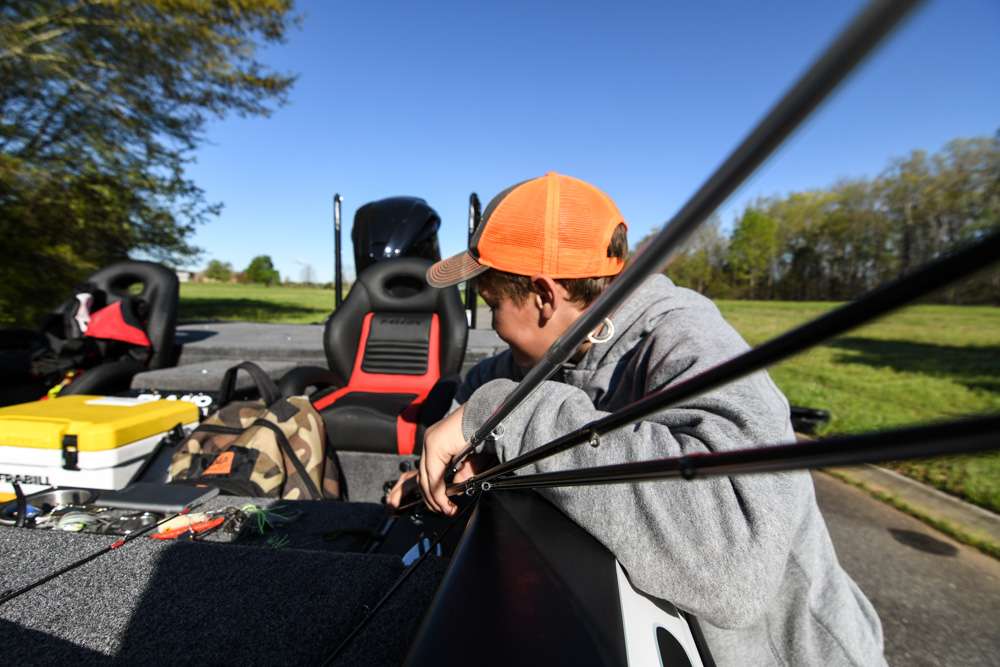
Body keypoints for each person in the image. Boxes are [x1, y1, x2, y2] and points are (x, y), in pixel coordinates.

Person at [388, 172, 885, 666]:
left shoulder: (687, 339)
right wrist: (440, 468)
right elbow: (486, 394)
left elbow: (735, 568)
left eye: (493, 304)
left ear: (543, 295)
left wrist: (502, 415)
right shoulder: (545, 351)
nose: (494, 327)